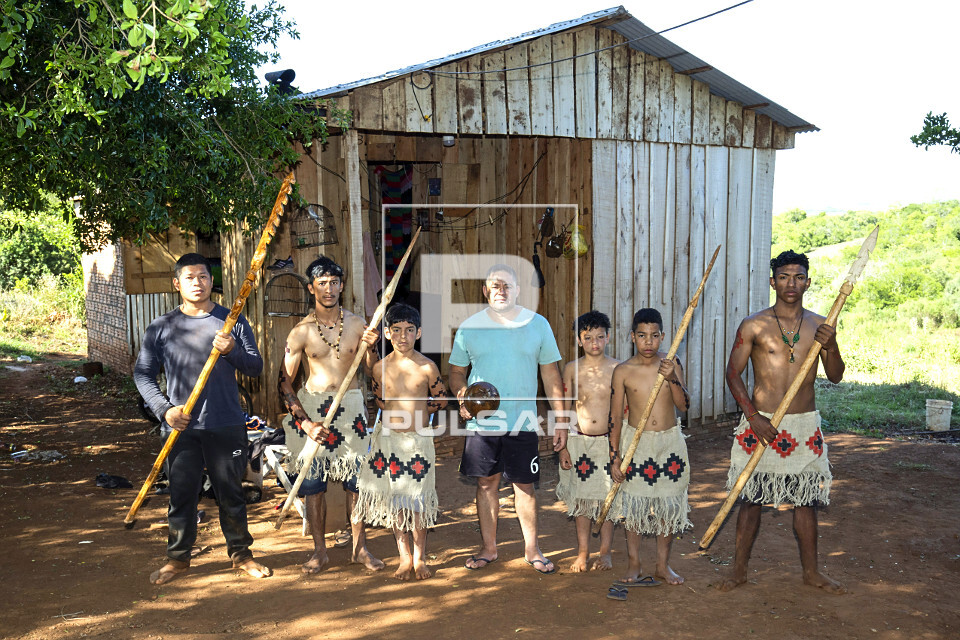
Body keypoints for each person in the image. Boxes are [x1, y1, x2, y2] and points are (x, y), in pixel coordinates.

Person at [134, 253, 271, 585]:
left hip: (225, 423)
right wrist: (164, 409)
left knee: (231, 493)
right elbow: (143, 375)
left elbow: (255, 367)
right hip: (181, 427)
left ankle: (242, 556)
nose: (197, 283)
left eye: (204, 277)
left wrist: (232, 350)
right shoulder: (161, 327)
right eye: (190, 277)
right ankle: (177, 559)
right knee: (182, 494)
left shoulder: (232, 320)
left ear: (212, 282)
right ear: (177, 284)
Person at [715, 250, 846, 593]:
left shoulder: (821, 325)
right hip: (761, 424)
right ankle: (738, 570)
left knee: (806, 501)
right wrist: (753, 416)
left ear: (808, 281)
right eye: (785, 277)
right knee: (751, 499)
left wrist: (831, 347)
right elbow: (732, 373)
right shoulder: (754, 325)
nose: (792, 283)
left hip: (803, 425)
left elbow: (835, 376)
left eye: (799, 277)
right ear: (773, 281)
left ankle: (812, 573)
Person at [449, 263, 567, 574]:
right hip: (482, 424)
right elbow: (456, 374)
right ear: (485, 291)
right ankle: (489, 548)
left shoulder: (538, 325)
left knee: (524, 485)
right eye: (494, 285)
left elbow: (551, 375)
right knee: (487, 483)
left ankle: (532, 549)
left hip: (522, 421)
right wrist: (462, 396)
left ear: (518, 291)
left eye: (508, 285)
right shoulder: (469, 327)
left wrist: (562, 420)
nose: (501, 290)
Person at [278, 256, 383, 574]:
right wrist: (305, 421)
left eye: (334, 282)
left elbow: (373, 370)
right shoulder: (301, 332)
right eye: (322, 283)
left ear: (341, 285)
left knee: (357, 483)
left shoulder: (358, 325)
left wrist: (373, 347)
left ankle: (359, 548)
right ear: (311, 288)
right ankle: (319, 551)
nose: (329, 289)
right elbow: (284, 382)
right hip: (313, 411)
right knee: (312, 484)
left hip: (350, 407)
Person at [352, 303, 448, 580]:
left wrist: (420, 412)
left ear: (419, 333)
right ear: (387, 333)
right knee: (396, 501)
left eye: (408, 330)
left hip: (418, 442)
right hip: (389, 443)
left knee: (417, 502)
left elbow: (441, 399)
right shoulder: (380, 368)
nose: (402, 336)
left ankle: (420, 558)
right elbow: (380, 400)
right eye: (396, 330)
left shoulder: (428, 367)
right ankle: (404, 557)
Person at [609, 308, 691, 586]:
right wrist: (614, 456)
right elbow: (615, 418)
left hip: (669, 443)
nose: (648, 342)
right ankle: (634, 563)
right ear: (632, 337)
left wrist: (672, 378)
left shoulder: (672, 363)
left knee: (668, 504)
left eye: (654, 336)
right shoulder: (623, 371)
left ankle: (662, 565)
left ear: (663, 336)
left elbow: (684, 405)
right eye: (642, 336)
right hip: (636, 444)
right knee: (635, 505)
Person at [556, 310, 619, 572]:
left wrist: (619, 449)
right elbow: (566, 407)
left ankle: (605, 552)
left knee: (607, 499)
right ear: (579, 340)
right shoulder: (572, 369)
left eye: (600, 337)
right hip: (579, 442)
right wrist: (564, 448)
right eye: (588, 337)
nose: (594, 342)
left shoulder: (618, 368)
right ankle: (583, 552)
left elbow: (623, 411)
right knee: (582, 501)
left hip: (608, 443)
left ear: (608, 338)